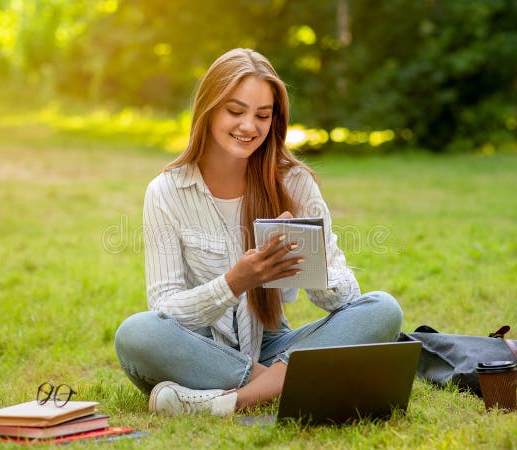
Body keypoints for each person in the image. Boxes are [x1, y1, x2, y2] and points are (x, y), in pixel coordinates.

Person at [114, 48, 403, 416]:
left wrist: (307, 261)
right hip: (202, 349)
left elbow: (344, 299)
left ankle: (232, 401)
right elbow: (165, 309)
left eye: (262, 116)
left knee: (382, 310)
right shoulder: (166, 192)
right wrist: (234, 282)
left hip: (272, 343)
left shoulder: (294, 183)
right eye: (235, 111)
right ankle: (286, 383)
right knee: (136, 335)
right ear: (209, 110)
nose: (248, 126)